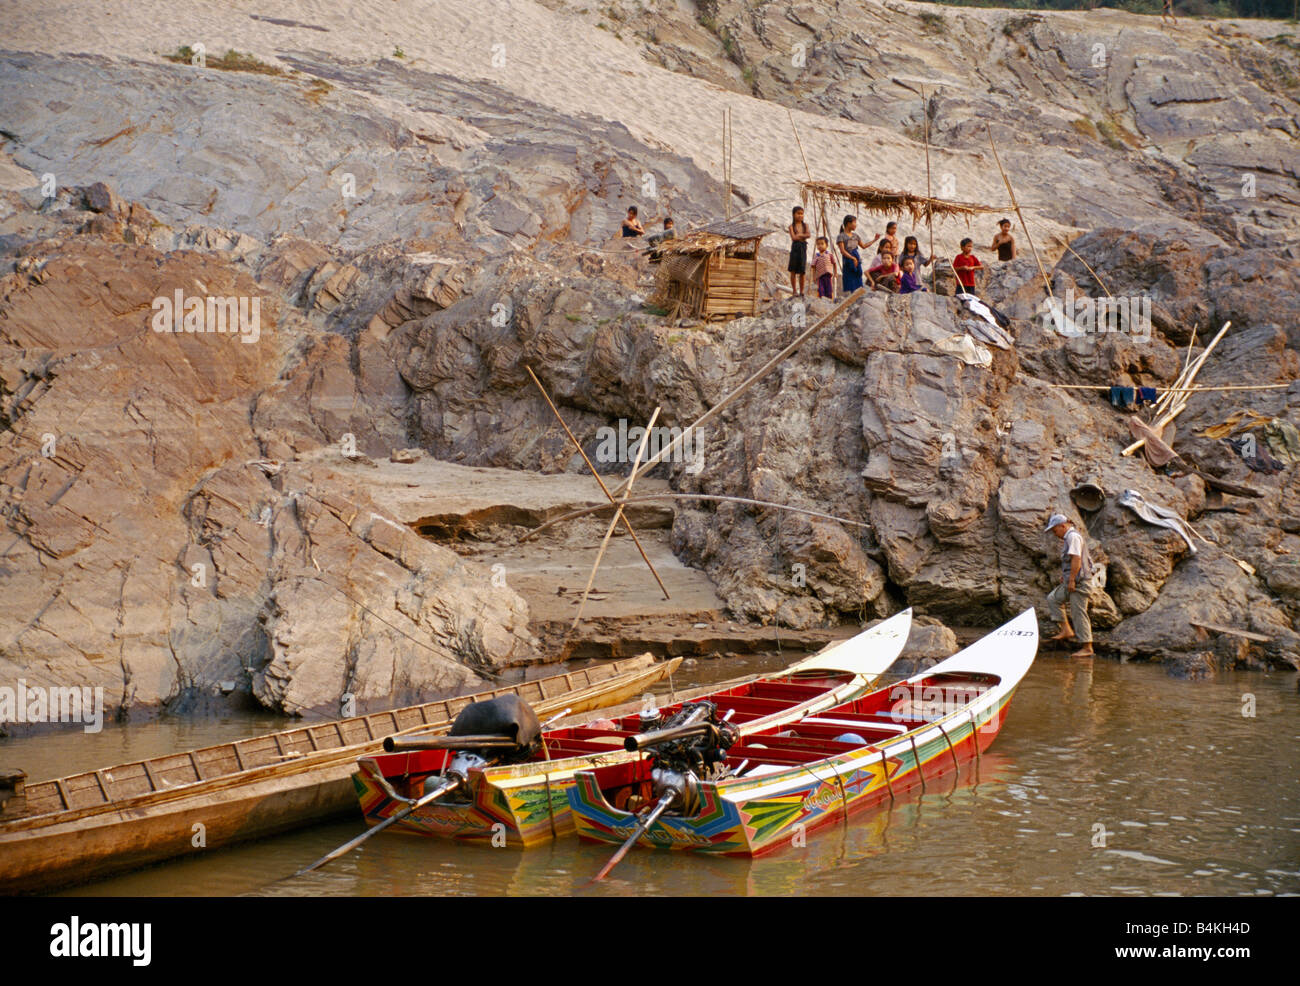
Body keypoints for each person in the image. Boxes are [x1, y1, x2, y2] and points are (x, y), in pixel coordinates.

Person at [1044, 513, 1095, 658]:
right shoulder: (1070, 538)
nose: (1055, 534)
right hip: (1072, 580)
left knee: (1079, 612)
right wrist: (1066, 576)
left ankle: (1087, 647)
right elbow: (1071, 561)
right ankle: (1066, 629)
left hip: (1080, 583)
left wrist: (1072, 579)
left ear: (1063, 526)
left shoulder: (1073, 537)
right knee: (1053, 598)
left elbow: (1076, 559)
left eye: (1055, 530)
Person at [837, 215, 874, 294]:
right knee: (849, 275)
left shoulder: (855, 236)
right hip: (848, 259)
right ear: (848, 224)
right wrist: (852, 258)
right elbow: (843, 251)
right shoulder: (841, 236)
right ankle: (850, 293)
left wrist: (874, 240)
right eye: (854, 222)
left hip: (856, 257)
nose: (856, 225)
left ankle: (859, 293)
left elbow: (863, 246)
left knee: (858, 274)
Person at [788, 206, 810, 296]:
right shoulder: (791, 226)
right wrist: (803, 235)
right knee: (793, 270)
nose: (800, 215)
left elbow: (808, 235)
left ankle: (801, 291)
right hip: (795, 248)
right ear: (793, 215)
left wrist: (800, 235)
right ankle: (794, 291)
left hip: (803, 248)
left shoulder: (806, 225)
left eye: (802, 214)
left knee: (802, 271)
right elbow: (793, 237)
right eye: (798, 213)